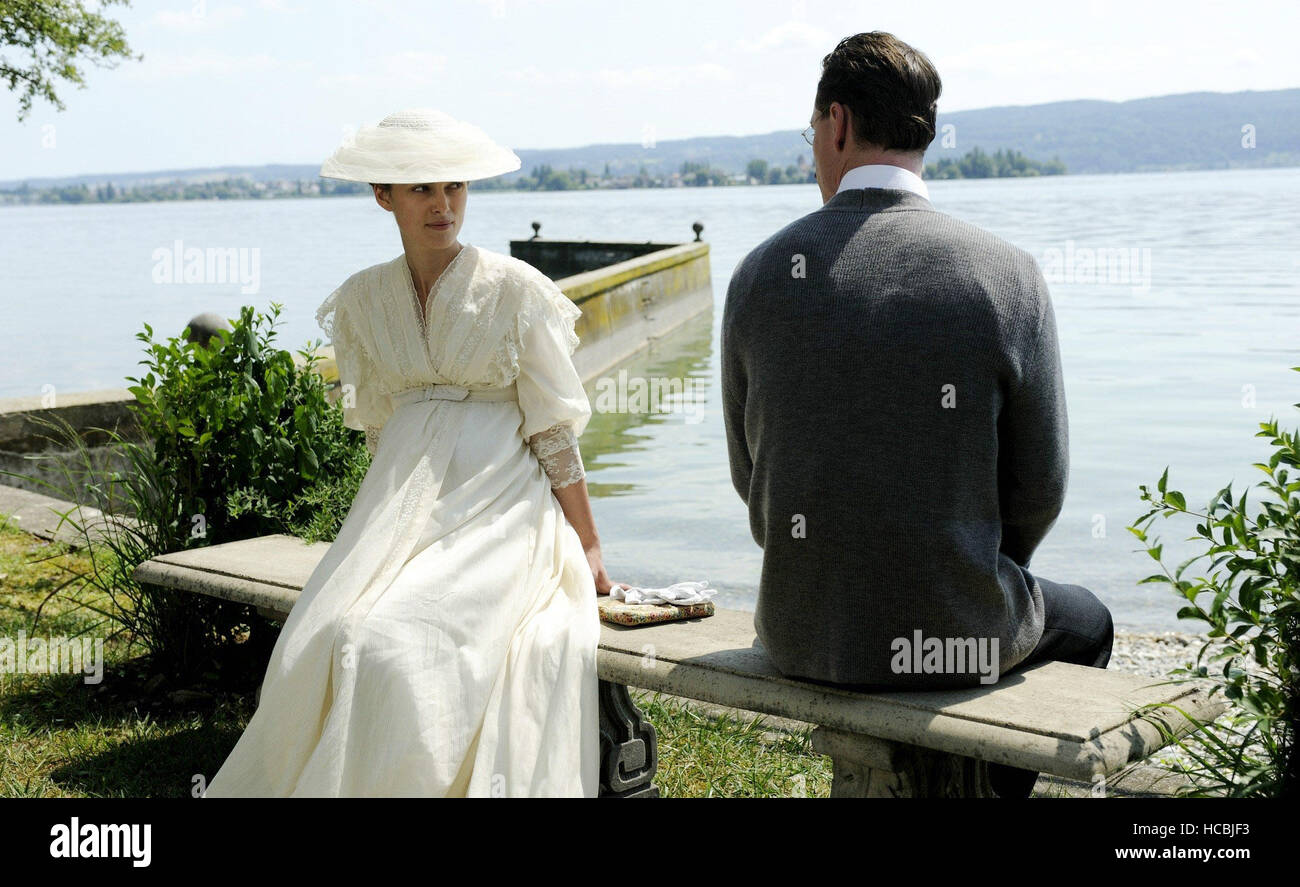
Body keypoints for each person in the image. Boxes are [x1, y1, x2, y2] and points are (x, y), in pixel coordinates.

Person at [720, 33, 1113, 796]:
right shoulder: (1008, 274)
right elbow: (1040, 486)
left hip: (802, 634)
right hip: (955, 636)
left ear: (837, 124)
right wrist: (965, 558)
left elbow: (752, 477)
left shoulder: (757, 276)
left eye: (811, 133)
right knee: (1089, 620)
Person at [204, 109, 627, 797]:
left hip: (501, 512)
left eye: (454, 186)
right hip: (400, 512)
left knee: (388, 646)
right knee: (326, 637)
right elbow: (381, 432)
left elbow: (552, 428)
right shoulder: (363, 299)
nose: (442, 205)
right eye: (421, 188)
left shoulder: (516, 289)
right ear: (384, 196)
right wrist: (381, 532)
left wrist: (589, 544)